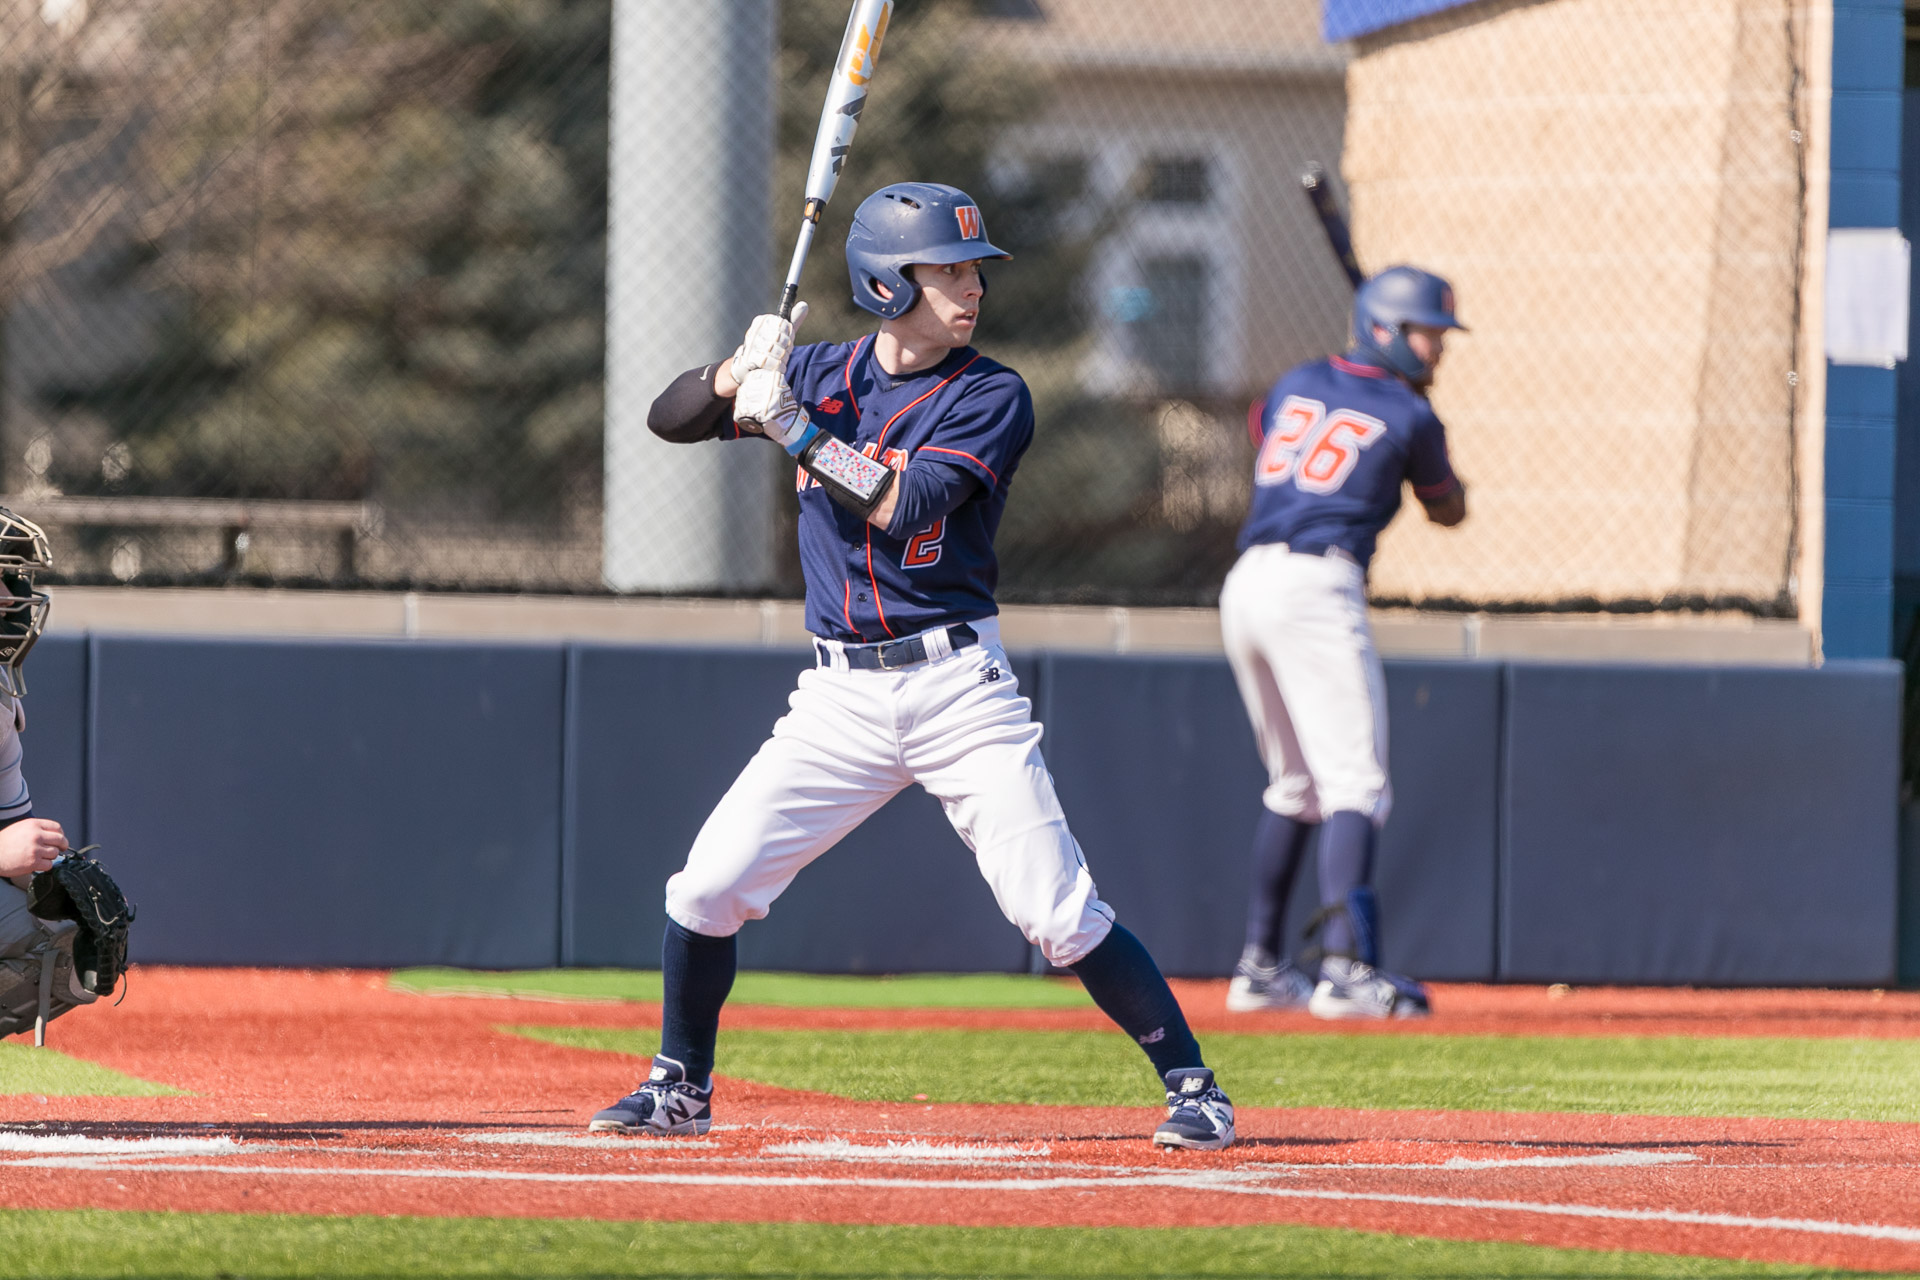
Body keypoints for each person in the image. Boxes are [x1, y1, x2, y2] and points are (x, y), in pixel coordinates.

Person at [587, 182, 1235, 1150]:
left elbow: (905, 503)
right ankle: (680, 1084)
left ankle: (1194, 1085)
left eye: (972, 272)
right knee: (705, 888)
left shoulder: (989, 392)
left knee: (1055, 913)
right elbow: (666, 419)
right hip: (839, 695)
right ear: (886, 283)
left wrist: (793, 428)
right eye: (944, 272)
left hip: (954, 688)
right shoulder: (821, 369)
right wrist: (733, 373)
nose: (968, 290)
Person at [1220, 266, 1468, 1020]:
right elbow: (1448, 509)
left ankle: (1262, 966)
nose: (1437, 350)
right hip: (1316, 589)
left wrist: (1393, 399)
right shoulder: (1409, 414)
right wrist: (1414, 417)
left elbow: (1274, 430)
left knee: (1295, 786)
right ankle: (1349, 970)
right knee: (1356, 785)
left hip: (1246, 584)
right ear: (1388, 330)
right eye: (1427, 334)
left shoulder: (1298, 379)